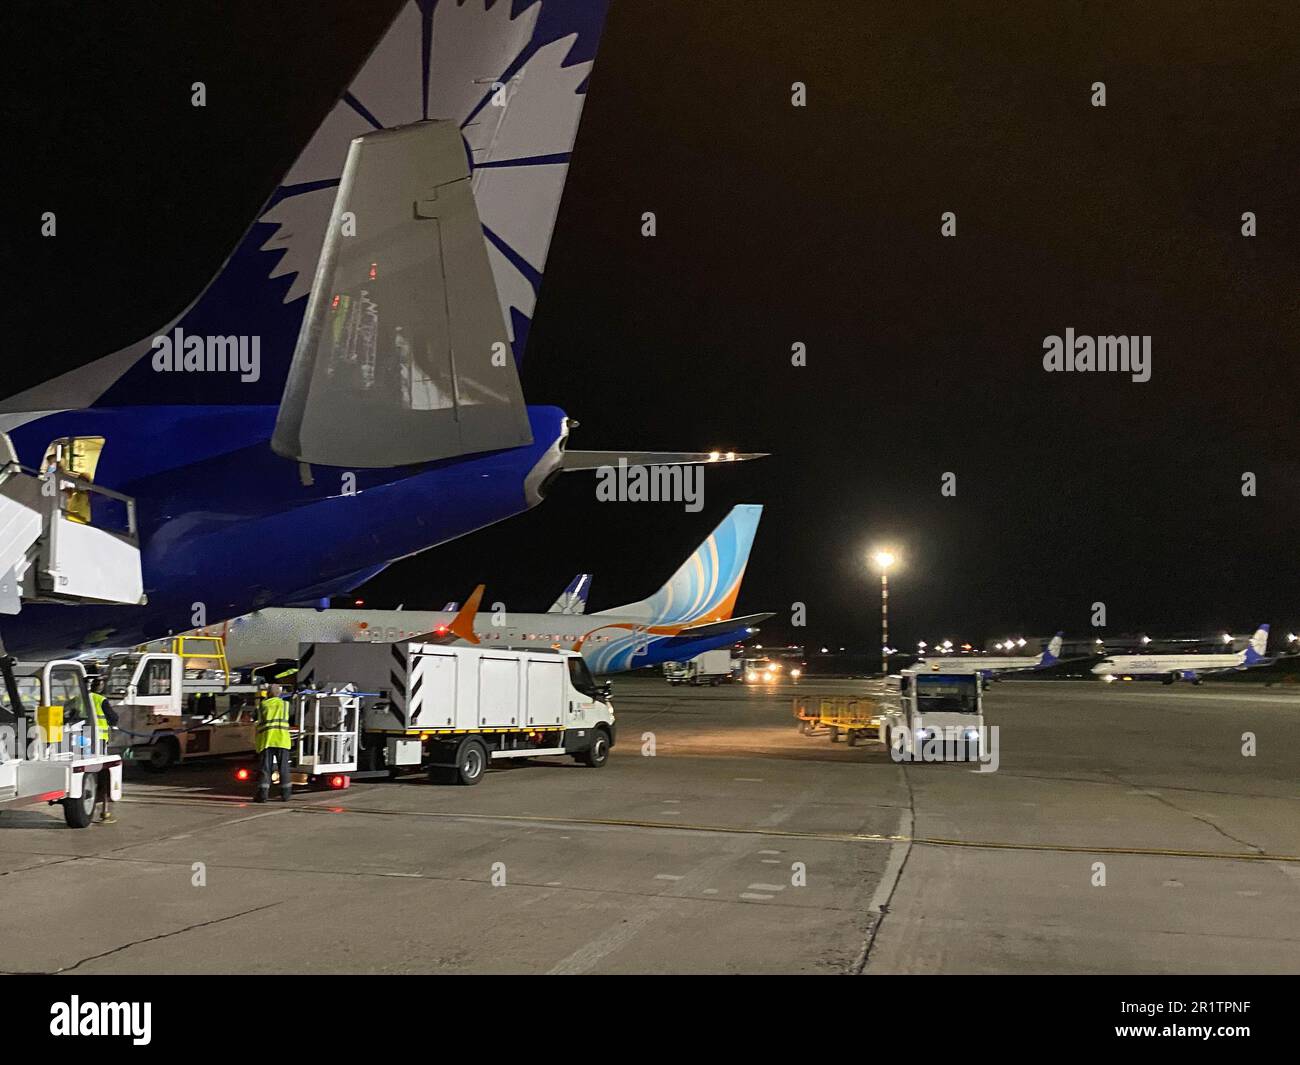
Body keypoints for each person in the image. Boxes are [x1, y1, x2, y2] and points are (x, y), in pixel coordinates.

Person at [254, 684, 293, 803]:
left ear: (268, 693)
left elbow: (255, 718)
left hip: (267, 741)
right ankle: (286, 795)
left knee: (266, 769)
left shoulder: (263, 705)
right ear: (280, 693)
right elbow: (292, 715)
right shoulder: (286, 705)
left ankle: (262, 796)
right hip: (282, 740)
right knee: (284, 769)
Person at [89, 676, 119, 824]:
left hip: (81, 739)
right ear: (100, 687)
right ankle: (101, 801)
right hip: (99, 739)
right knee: (101, 770)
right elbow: (113, 718)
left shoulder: (80, 698)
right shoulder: (101, 700)